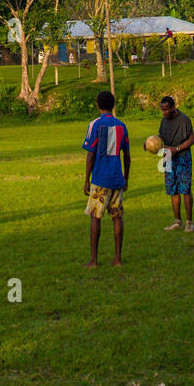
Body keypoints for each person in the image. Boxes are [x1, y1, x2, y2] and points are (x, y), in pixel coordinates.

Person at [83, 90, 130, 266]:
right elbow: (127, 156)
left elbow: (90, 154)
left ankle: (94, 260)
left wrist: (87, 179)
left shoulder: (94, 125)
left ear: (97, 105)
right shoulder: (121, 126)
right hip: (117, 178)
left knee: (96, 217)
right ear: (113, 105)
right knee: (117, 217)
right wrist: (126, 177)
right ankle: (117, 259)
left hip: (100, 179)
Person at [158, 95, 194, 232]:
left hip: (183, 158)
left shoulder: (184, 120)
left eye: (166, 110)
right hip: (168, 159)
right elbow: (161, 137)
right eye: (162, 110)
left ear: (173, 108)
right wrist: (150, 143)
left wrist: (177, 149)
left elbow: (192, 139)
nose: (164, 112)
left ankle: (189, 223)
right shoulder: (164, 121)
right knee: (173, 190)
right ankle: (177, 221)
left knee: (185, 190)